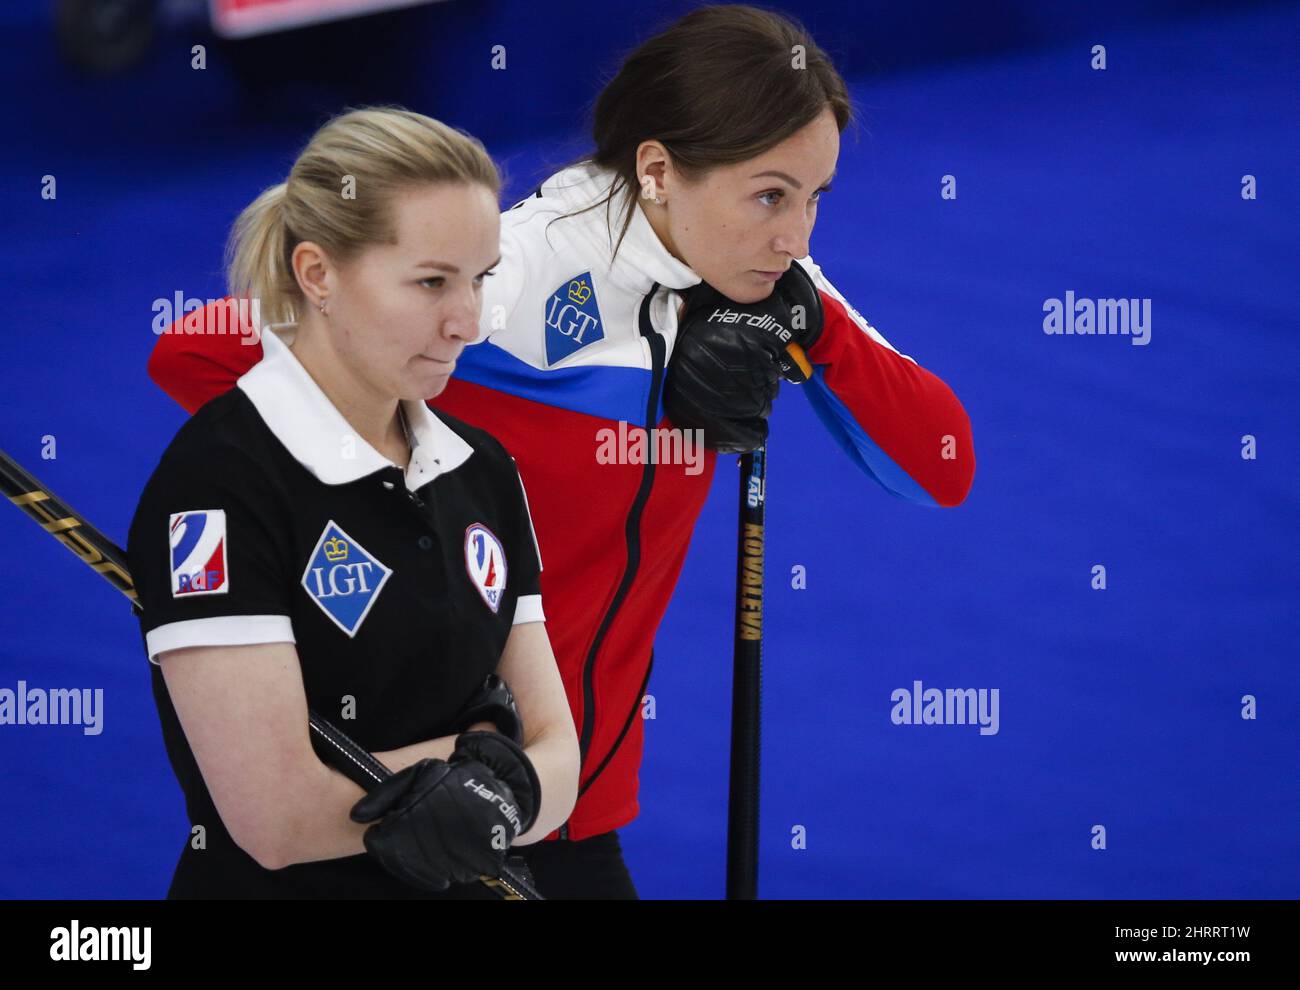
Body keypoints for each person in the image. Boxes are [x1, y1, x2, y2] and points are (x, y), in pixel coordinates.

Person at [147, 5, 976, 898]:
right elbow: (194, 354)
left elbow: (941, 463)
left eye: (816, 199)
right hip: (412, 792)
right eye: (772, 194)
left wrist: (809, 327)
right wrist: (435, 472)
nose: (799, 236)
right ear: (658, 171)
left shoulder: (768, 280)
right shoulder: (523, 275)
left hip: (566, 798)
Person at [127, 108, 579, 898]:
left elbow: (561, 762)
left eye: (480, 279)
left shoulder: (481, 468)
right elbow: (275, 820)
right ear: (318, 274)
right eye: (432, 281)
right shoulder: (216, 487)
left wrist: (470, 787)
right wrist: (485, 770)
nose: (467, 322)